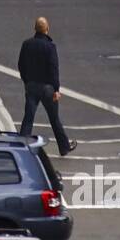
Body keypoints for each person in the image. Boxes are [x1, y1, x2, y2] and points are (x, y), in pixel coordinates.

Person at [17, 18, 78, 157]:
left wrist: (26, 81)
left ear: (35, 28)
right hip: (47, 88)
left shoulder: (27, 44)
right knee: (54, 118)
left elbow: (21, 65)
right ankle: (64, 147)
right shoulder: (50, 47)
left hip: (31, 86)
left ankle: (21, 146)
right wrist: (56, 89)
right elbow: (53, 69)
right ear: (46, 29)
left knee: (28, 117)